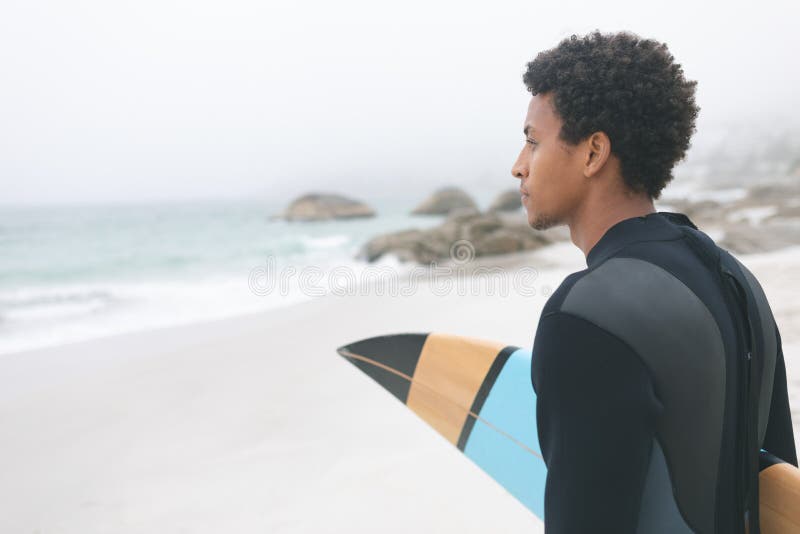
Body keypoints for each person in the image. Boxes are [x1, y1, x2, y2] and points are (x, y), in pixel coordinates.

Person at [511, 30, 797, 534]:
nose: (519, 166)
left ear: (593, 152)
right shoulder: (735, 277)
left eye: (533, 140)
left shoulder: (585, 316)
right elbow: (779, 487)